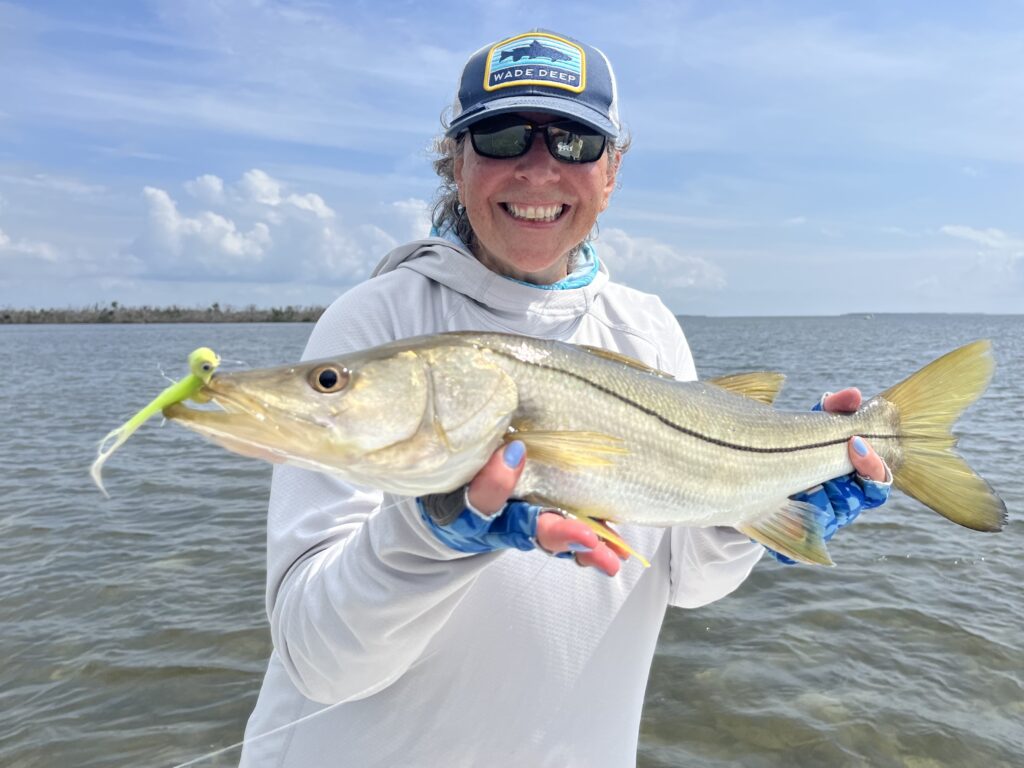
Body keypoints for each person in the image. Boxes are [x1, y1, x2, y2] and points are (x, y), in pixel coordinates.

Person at [239, 29, 891, 767]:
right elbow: (321, 662)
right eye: (502, 135)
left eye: (576, 142)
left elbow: (686, 584)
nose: (539, 169)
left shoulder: (646, 328)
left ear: (612, 173)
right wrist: (428, 536)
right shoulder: (378, 323)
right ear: (455, 163)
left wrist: (760, 506)